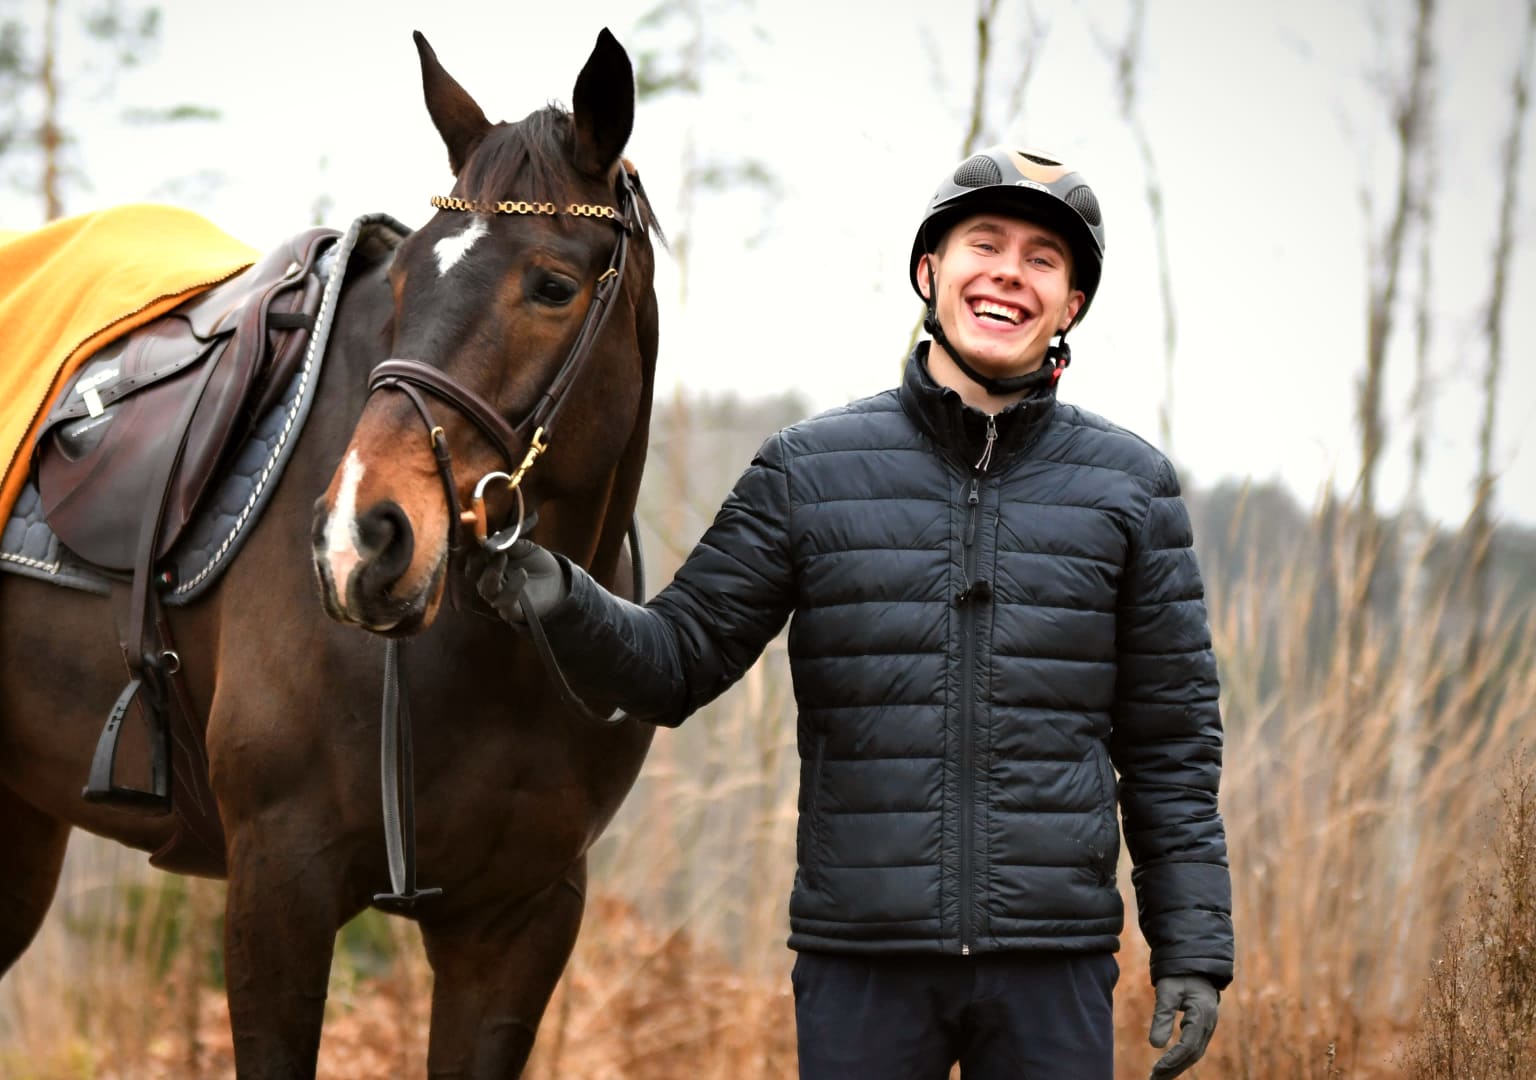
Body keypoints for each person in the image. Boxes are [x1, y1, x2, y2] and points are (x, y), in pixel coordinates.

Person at [472, 147, 1231, 1079]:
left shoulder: (1132, 488)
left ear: (1071, 305)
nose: (1008, 272)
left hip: (1054, 970)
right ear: (929, 273)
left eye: (1044, 259)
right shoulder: (809, 470)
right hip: (861, 970)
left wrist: (1193, 952)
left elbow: (1172, 749)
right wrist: (561, 596)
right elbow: (674, 661)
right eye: (982, 243)